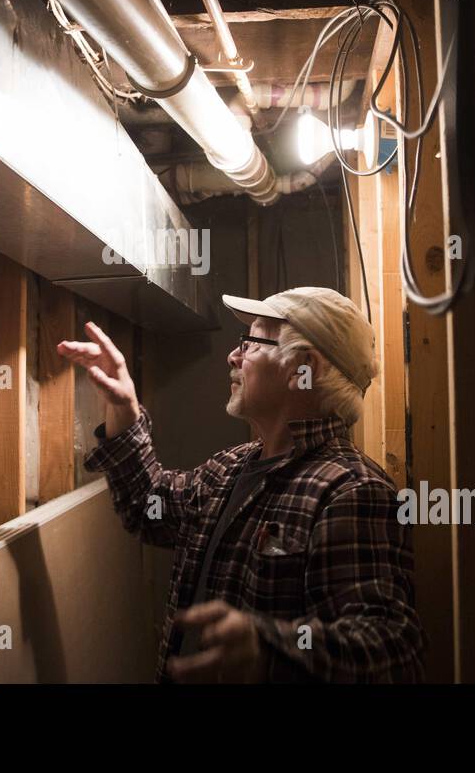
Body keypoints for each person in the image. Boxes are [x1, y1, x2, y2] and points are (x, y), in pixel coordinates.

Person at [56, 286, 427, 683]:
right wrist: (123, 409)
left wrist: (269, 650)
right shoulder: (230, 466)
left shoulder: (351, 492)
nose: (233, 356)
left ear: (305, 368)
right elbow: (149, 508)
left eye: (250, 342)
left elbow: (392, 651)